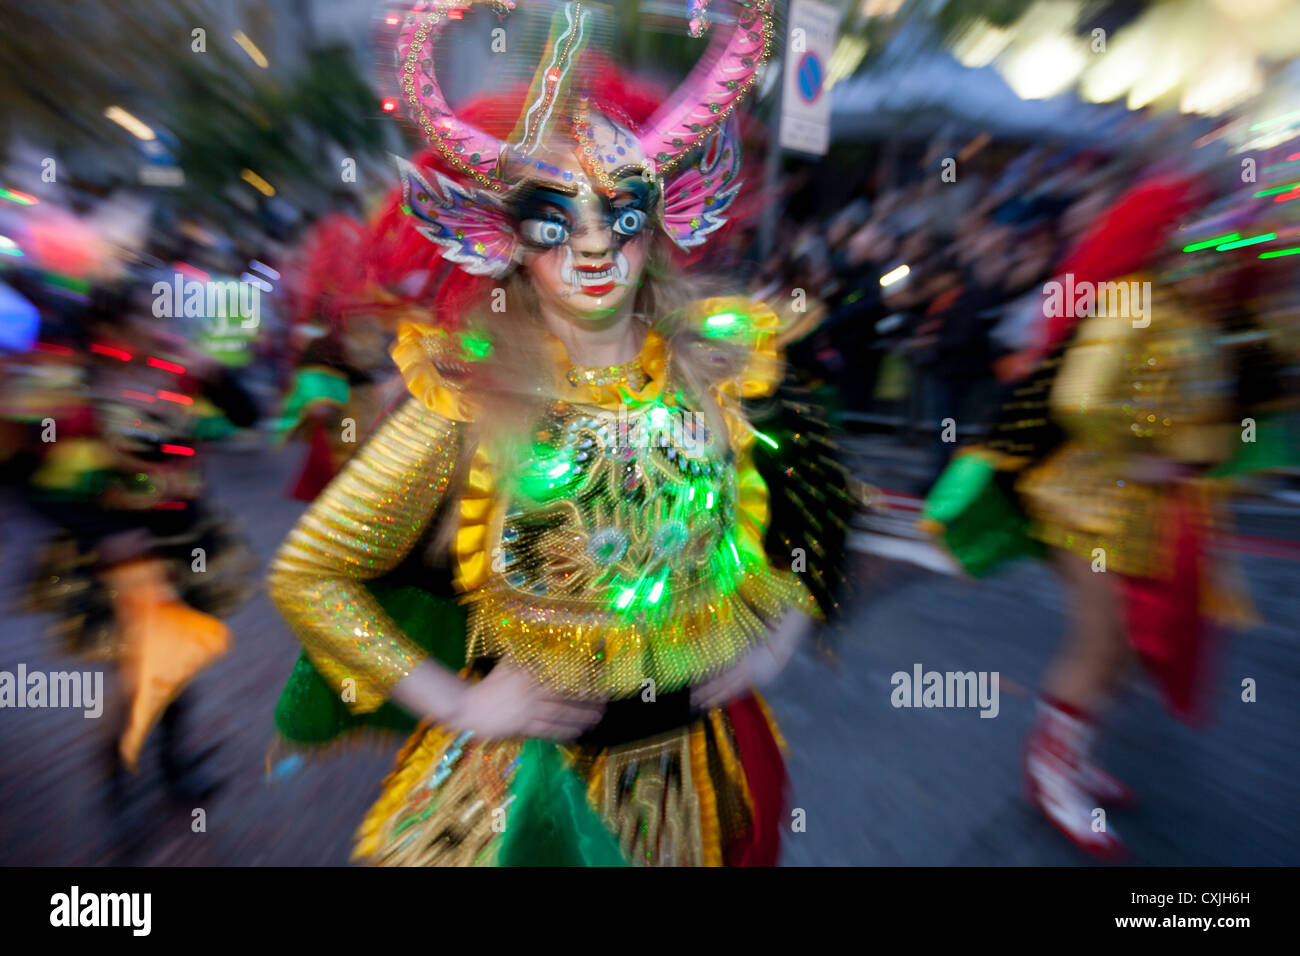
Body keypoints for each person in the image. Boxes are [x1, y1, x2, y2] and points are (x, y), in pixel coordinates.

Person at [268, 0, 829, 866]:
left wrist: (778, 626)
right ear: (502, 240)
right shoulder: (466, 400)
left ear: (667, 217)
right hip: (537, 802)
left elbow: (802, 512)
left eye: (622, 216)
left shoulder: (723, 365)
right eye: (554, 223)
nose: (594, 247)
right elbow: (312, 575)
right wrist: (457, 707)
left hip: (704, 774)